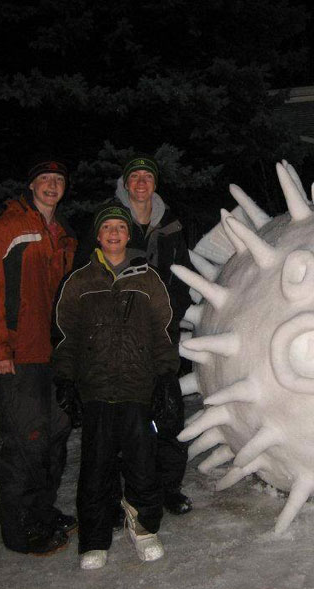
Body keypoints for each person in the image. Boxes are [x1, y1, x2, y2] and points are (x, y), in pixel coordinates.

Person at [52, 203, 181, 570]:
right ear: (98, 235)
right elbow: (65, 337)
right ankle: (94, 540)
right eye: (107, 227)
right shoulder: (79, 281)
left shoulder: (148, 279)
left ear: (129, 236)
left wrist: (166, 378)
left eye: (120, 228)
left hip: (138, 389)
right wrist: (65, 379)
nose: (113, 233)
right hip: (96, 391)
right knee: (96, 467)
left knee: (143, 464)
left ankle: (143, 528)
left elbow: (164, 333)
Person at [0, 159, 78, 555]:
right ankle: (21, 531)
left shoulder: (64, 237)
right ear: (31, 185)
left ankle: (43, 512)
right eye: (44, 179)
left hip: (55, 356)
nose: (52, 185)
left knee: (55, 436)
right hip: (18, 355)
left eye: (58, 180)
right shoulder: (3, 230)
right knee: (25, 441)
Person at [116, 155, 194, 516]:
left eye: (148, 176)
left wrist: (172, 317)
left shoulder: (171, 225)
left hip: (162, 335)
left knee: (169, 413)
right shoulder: (109, 223)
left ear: (155, 184)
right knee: (128, 418)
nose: (142, 182)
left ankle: (168, 488)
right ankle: (130, 491)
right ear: (126, 184)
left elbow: (182, 275)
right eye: (135, 177)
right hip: (121, 339)